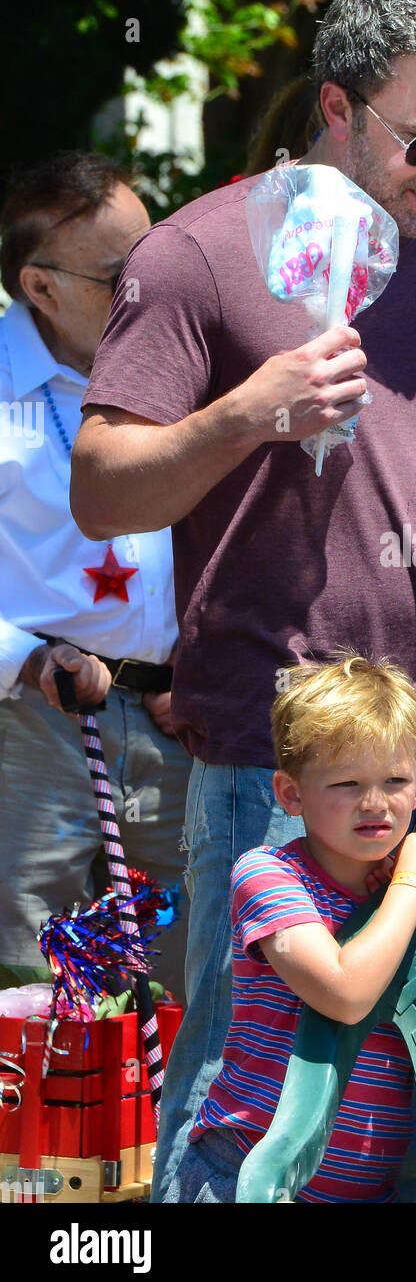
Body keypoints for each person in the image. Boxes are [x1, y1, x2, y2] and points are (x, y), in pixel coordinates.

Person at [69, 0, 416, 1197]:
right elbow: (103, 489)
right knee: (244, 1103)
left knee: (414, 1106)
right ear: (335, 108)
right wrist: (242, 416)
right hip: (271, 773)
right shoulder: (200, 254)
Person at [164, 652, 416, 1203]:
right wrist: (412, 889)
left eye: (395, 779)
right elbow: (343, 993)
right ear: (291, 793)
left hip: (370, 1191)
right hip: (246, 1176)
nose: (375, 802)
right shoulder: (268, 874)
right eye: (347, 783)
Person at [0, 152, 191, 1001]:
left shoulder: (191, 360)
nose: (150, 289)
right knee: (30, 996)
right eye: (122, 274)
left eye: (157, 258)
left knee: (198, 984)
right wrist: (30, 660)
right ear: (39, 287)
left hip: (178, 719)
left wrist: (207, 665)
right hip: (33, 720)